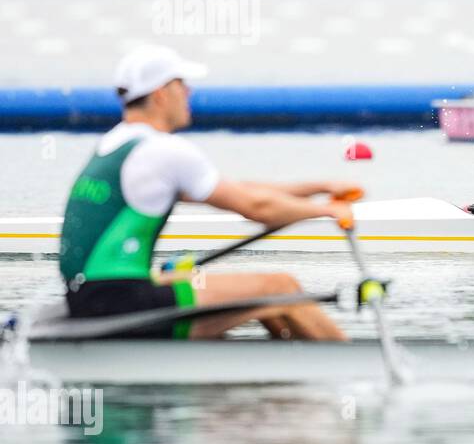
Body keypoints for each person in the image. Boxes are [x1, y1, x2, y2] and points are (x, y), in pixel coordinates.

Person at [59, 45, 358, 339]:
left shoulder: (116, 144)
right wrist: (327, 210)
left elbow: (240, 190)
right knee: (280, 287)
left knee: (245, 294)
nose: (189, 93)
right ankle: (353, 370)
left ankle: (286, 371)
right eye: (182, 84)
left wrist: (320, 188)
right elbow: (258, 208)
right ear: (161, 93)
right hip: (118, 301)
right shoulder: (163, 150)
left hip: (87, 294)